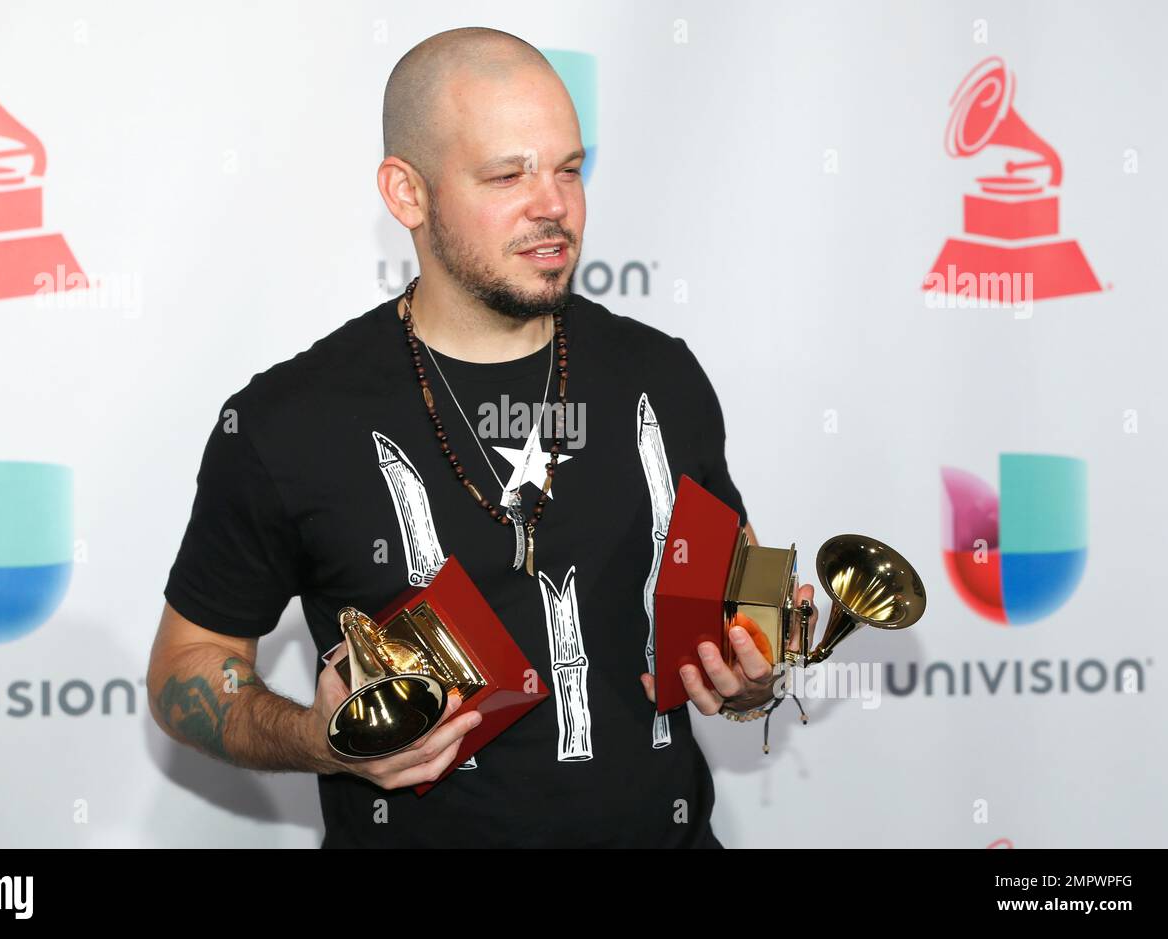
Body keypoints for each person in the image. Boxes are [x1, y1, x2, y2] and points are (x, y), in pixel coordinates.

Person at [147, 26, 814, 848]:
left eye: (569, 168)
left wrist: (750, 676)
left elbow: (736, 612)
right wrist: (318, 739)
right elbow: (188, 663)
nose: (553, 205)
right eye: (508, 174)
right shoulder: (287, 421)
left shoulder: (662, 377)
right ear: (407, 193)